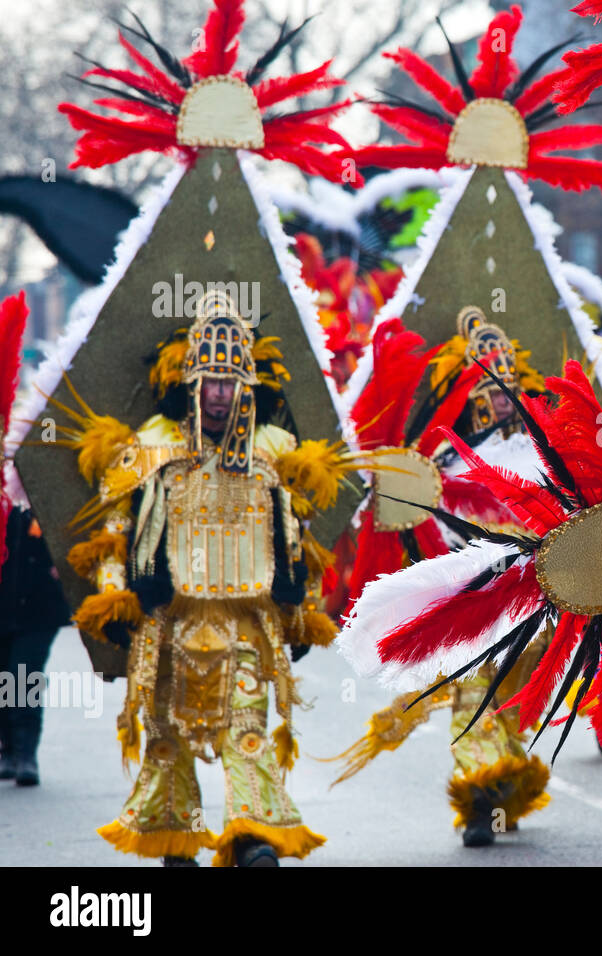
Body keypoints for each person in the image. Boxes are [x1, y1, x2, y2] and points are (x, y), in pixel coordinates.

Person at [63, 290, 351, 867]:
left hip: (247, 621)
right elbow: (118, 531)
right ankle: (177, 837)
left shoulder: (276, 451)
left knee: (247, 731)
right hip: (169, 625)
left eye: (230, 382)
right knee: (168, 745)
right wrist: (119, 601)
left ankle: (252, 838)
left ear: (246, 386)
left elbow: (299, 538)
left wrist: (300, 608)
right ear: (192, 384)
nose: (220, 394)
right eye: (210, 381)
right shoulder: (151, 445)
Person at [332, 308, 552, 848]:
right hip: (471, 599)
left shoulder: (540, 453)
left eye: (507, 385)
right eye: (489, 386)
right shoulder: (446, 459)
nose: (501, 397)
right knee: (470, 695)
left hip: (531, 599)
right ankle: (478, 797)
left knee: (513, 703)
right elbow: (413, 516)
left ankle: (502, 783)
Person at [0, 508, 71, 786]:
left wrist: (67, 565)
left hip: (40, 606)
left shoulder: (44, 482)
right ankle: (8, 748)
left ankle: (26, 752)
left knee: (24, 675)